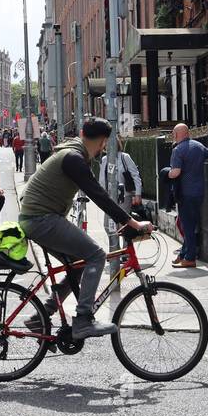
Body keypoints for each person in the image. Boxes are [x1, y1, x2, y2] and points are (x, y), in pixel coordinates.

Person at [19, 118, 153, 339]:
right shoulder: (74, 158)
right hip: (42, 220)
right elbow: (99, 195)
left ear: (82, 133)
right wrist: (133, 223)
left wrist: (124, 221)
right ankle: (83, 320)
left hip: (37, 219)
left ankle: (41, 315)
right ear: (103, 141)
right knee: (96, 255)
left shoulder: (73, 153)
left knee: (78, 264)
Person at [167, 123, 208, 269]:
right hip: (199, 192)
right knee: (186, 223)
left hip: (185, 193)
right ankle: (183, 253)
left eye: (174, 134)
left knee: (187, 226)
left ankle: (189, 258)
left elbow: (175, 172)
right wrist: (199, 166)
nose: (173, 136)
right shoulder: (198, 146)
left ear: (176, 135)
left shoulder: (178, 150)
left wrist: (164, 173)